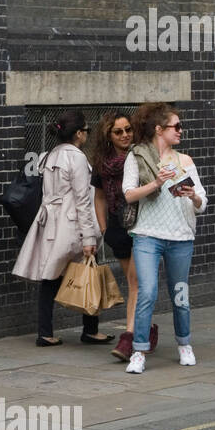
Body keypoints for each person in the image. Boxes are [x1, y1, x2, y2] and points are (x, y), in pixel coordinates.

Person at [121, 103, 206, 374]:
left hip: (181, 237)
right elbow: (128, 194)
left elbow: (203, 203)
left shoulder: (185, 161)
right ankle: (139, 350)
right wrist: (156, 183)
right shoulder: (137, 157)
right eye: (176, 126)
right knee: (147, 292)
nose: (181, 131)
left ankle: (184, 344)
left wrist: (192, 196)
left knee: (180, 294)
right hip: (147, 235)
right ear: (159, 129)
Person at [13, 110, 109, 346]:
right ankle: (90, 329)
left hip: (50, 224)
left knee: (50, 277)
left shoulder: (49, 155)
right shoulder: (75, 157)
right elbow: (82, 200)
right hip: (71, 225)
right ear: (78, 133)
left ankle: (45, 332)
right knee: (88, 271)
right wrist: (89, 236)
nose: (87, 134)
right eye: (86, 130)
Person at [89, 110, 140, 360]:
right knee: (135, 284)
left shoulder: (139, 155)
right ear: (109, 135)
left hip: (141, 225)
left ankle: (130, 336)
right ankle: (144, 330)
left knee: (137, 283)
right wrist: (103, 228)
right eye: (118, 131)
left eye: (128, 129)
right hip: (117, 229)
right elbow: (98, 196)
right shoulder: (102, 162)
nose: (125, 135)